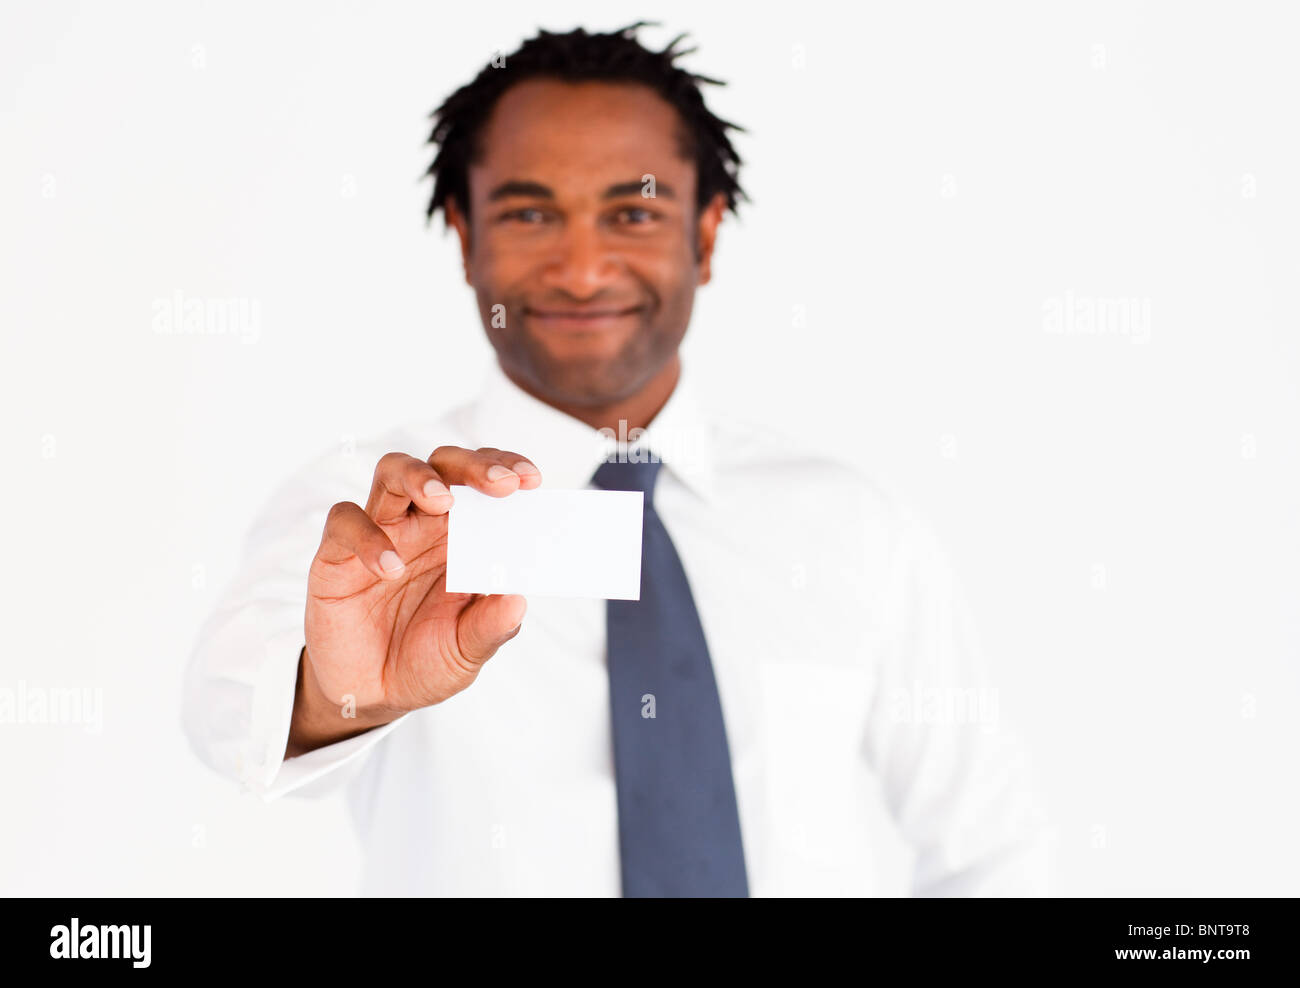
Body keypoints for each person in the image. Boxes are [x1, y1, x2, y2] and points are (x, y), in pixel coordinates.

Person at [183, 22, 1056, 896]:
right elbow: (229, 714)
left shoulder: (849, 522)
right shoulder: (381, 517)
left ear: (705, 236)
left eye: (632, 213)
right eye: (529, 214)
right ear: (464, 235)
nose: (583, 268)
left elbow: (989, 842)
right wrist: (339, 695)